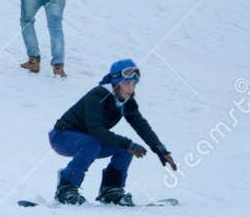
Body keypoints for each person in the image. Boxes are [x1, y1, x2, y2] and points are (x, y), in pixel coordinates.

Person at [48, 59, 176, 205]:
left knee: (125, 149)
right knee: (99, 144)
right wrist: (126, 144)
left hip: (89, 140)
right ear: (116, 83)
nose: (131, 88)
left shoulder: (127, 102)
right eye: (127, 83)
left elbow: (141, 126)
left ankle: (111, 190)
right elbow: (95, 130)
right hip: (62, 137)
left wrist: (160, 149)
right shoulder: (97, 96)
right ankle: (66, 188)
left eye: (134, 84)